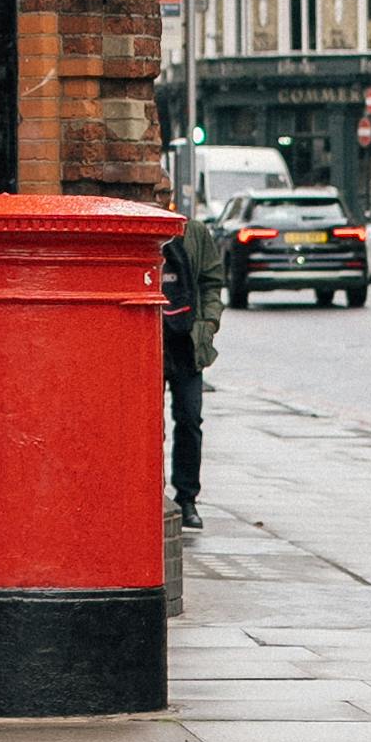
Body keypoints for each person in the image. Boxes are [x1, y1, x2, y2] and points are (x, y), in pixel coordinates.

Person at [163, 206, 222, 521]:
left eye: (166, 195)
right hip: (152, 342)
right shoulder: (144, 232)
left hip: (188, 343)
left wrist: (209, 322)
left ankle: (187, 499)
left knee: (189, 420)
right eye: (156, 194)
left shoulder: (195, 232)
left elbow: (212, 281)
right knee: (148, 426)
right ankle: (153, 492)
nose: (161, 200)